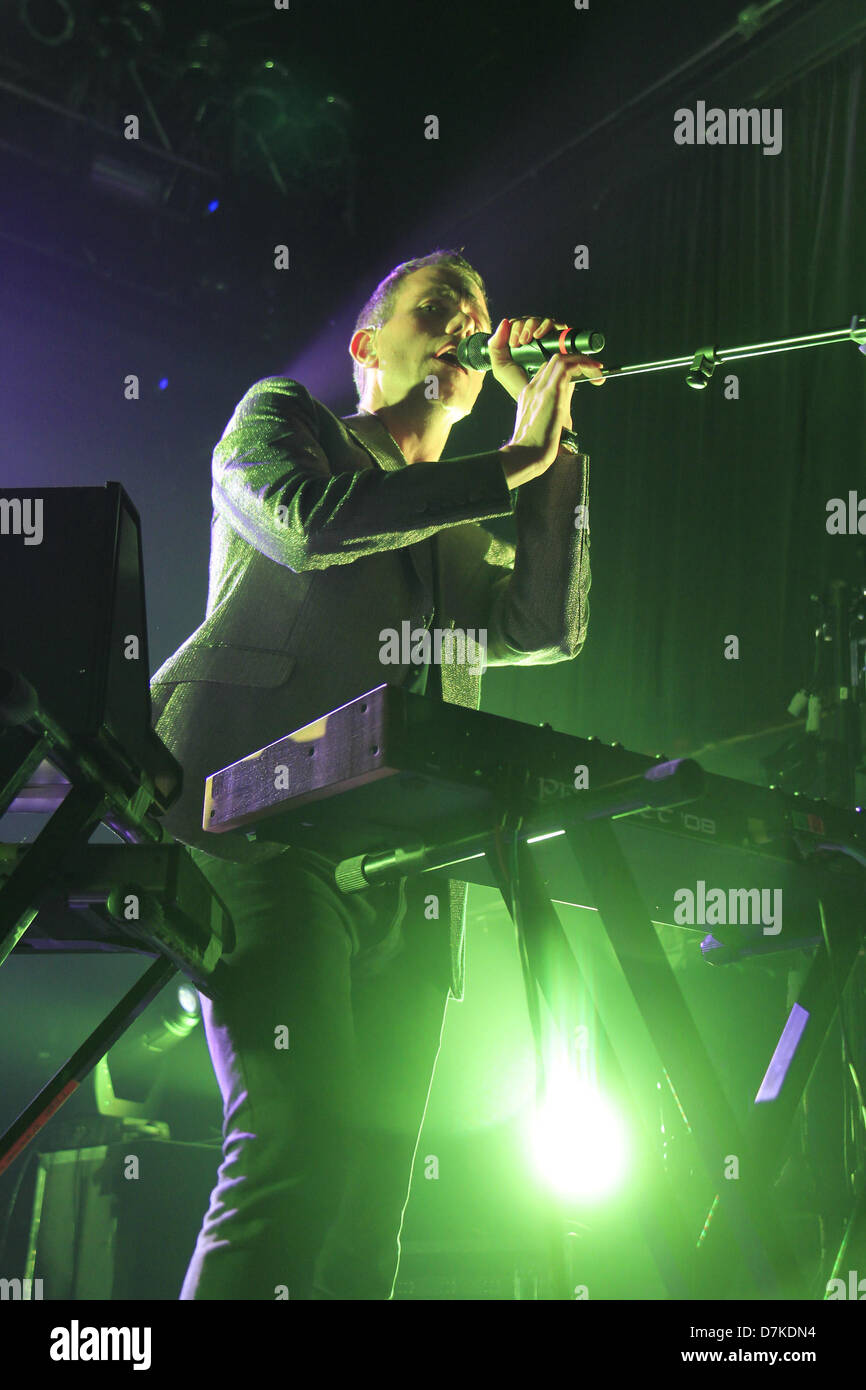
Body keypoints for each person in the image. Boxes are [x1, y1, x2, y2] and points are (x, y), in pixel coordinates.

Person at [149, 248, 604, 1299]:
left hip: (405, 860)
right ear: (367, 347)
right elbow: (309, 526)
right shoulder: (284, 423)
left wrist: (551, 433)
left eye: (476, 319)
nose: (461, 325)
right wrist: (503, 463)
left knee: (370, 1204)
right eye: (436, 307)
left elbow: (546, 624)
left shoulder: (457, 526)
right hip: (256, 819)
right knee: (295, 1141)